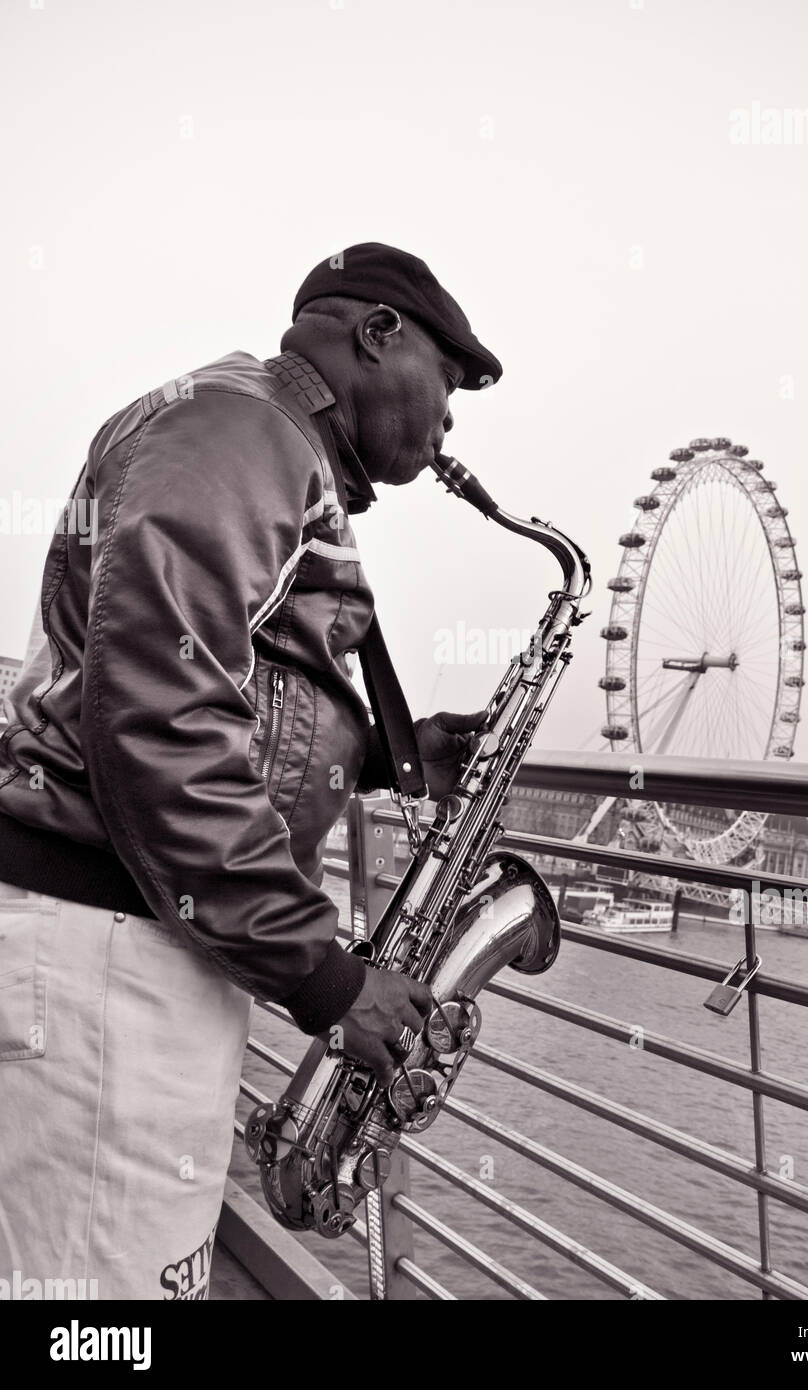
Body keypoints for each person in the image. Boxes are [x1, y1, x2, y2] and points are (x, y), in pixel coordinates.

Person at [0, 242, 502, 1299]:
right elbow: (160, 717)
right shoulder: (241, 431)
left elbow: (215, 680)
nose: (451, 421)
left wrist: (379, 754)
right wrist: (323, 976)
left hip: (141, 940)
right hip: (113, 954)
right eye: (449, 381)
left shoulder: (260, 440)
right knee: (107, 1306)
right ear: (376, 334)